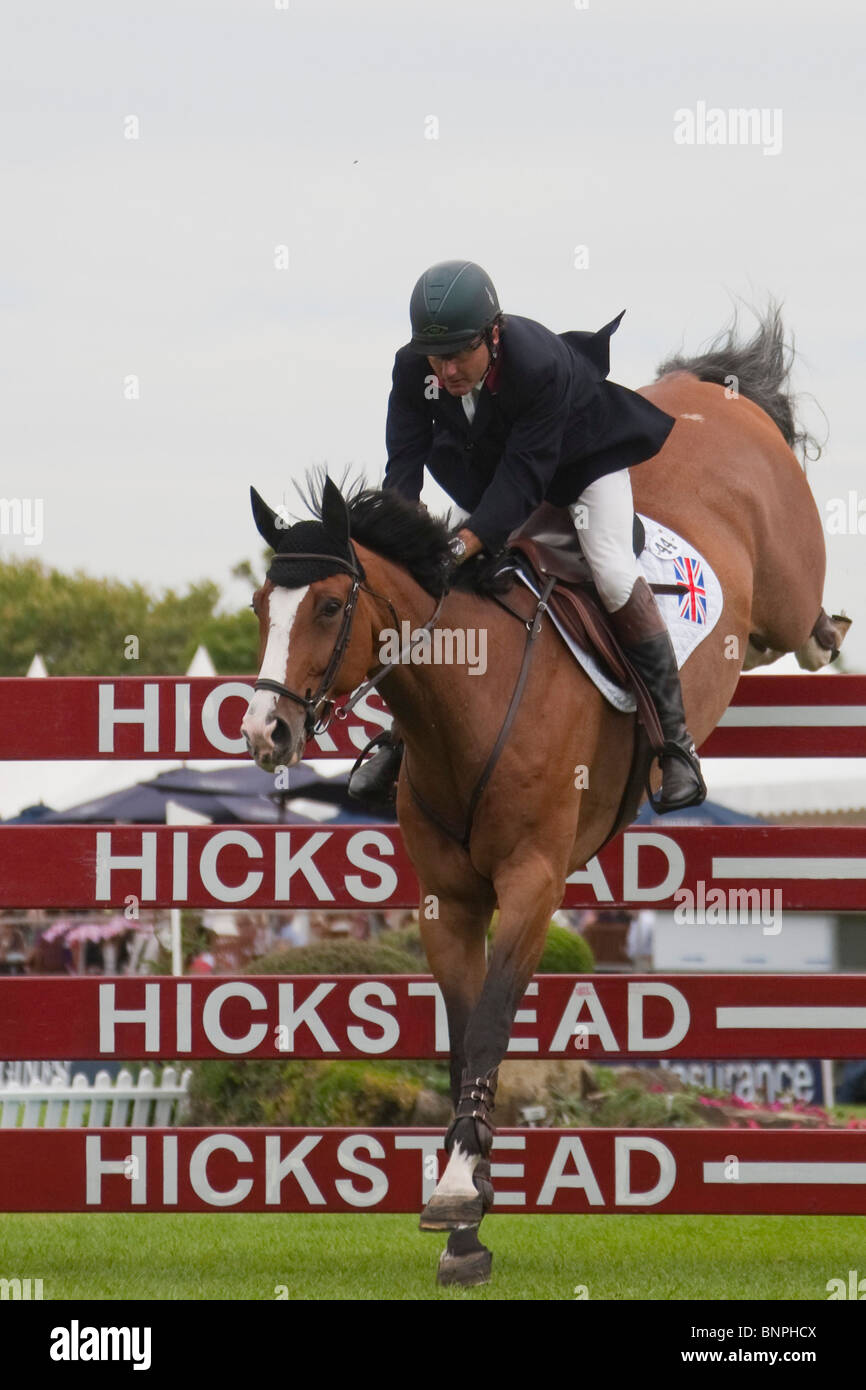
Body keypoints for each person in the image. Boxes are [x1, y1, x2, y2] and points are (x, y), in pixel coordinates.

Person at [349, 260, 706, 813]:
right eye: (435, 356)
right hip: (495, 467)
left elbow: (527, 478)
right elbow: (404, 465)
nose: (445, 371)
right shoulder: (411, 368)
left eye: (459, 354)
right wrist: (408, 543)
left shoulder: (536, 365)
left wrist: (465, 542)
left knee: (609, 568)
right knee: (442, 583)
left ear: (493, 334)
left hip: (582, 460)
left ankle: (675, 744)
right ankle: (400, 736)